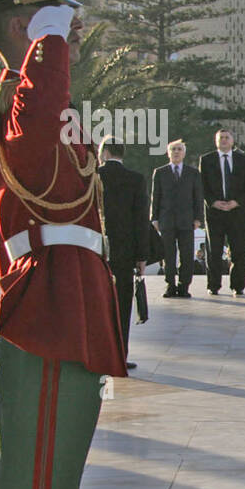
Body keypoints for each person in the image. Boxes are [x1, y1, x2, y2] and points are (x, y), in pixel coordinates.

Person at [0, 0, 127, 489]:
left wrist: (52, 36)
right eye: (60, 20)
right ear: (22, 31)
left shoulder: (43, 105)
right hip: (44, 318)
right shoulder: (12, 106)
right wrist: (48, 44)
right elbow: (34, 147)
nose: (76, 31)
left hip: (72, 313)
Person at [98, 138, 150, 369]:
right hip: (125, 251)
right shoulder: (136, 179)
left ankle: (96, 353)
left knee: (96, 301)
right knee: (122, 302)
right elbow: (141, 221)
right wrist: (141, 256)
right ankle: (119, 354)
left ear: (105, 153)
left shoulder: (92, 177)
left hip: (94, 247)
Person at [199, 128, 245, 296]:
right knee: (214, 251)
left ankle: (238, 285)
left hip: (237, 211)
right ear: (216, 141)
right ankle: (213, 285)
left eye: (226, 137)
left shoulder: (243, 160)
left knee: (238, 251)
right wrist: (213, 202)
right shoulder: (206, 160)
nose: (223, 140)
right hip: (215, 212)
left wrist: (236, 202)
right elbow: (202, 185)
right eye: (220, 138)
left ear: (232, 140)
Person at [150, 139, 203, 298]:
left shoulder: (193, 173)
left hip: (187, 220)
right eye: (173, 149)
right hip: (166, 220)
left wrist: (198, 218)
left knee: (187, 254)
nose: (176, 152)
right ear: (168, 153)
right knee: (168, 255)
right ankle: (170, 284)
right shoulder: (160, 172)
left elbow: (198, 197)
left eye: (179, 149)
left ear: (184, 153)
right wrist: (154, 218)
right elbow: (156, 197)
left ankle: (184, 285)